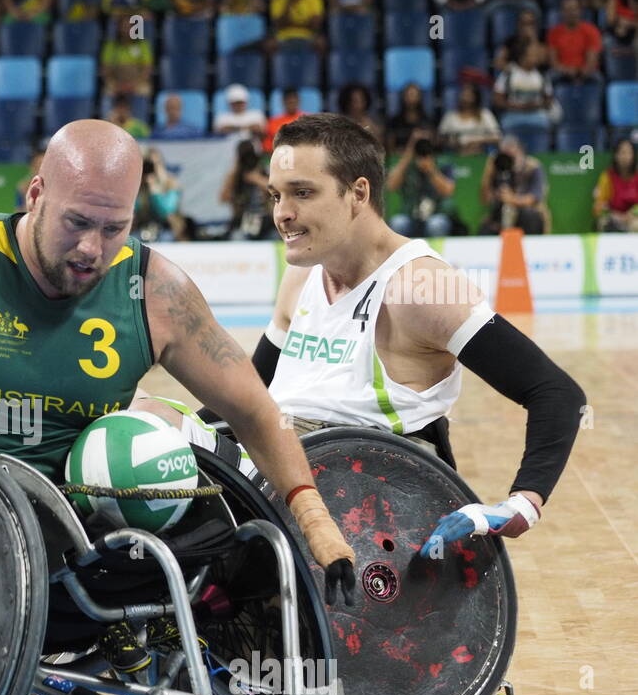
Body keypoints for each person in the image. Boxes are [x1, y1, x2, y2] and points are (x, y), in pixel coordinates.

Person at [0, 118, 358, 610]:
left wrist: (316, 521)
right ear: (35, 195)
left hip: (88, 537)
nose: (91, 249)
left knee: (211, 498)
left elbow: (255, 409)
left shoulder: (155, 292)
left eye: (114, 229)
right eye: (77, 222)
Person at [217, 113, 583, 558]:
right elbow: (243, 397)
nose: (282, 213)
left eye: (302, 193)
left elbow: (556, 392)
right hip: (281, 470)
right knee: (150, 421)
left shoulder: (421, 286)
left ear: (358, 194)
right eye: (276, 195)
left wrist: (523, 503)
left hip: (366, 494)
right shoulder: (301, 278)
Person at [386, 126, 459, 237]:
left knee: (436, 224)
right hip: (410, 215)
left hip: (436, 214)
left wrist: (431, 170)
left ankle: (433, 255)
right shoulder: (407, 165)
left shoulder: (444, 163)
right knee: (398, 223)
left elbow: (448, 191)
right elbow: (391, 186)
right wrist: (410, 150)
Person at [478, 134, 548, 235]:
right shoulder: (497, 167)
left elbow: (535, 197)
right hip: (499, 214)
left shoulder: (532, 167)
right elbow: (485, 200)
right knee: (485, 228)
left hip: (526, 212)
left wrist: (512, 199)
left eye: (511, 152)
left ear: (520, 150)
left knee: (530, 217)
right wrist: (488, 173)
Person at [219, 138, 272, 241]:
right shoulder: (235, 176)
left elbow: (276, 190)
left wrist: (257, 179)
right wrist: (235, 172)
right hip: (245, 219)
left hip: (267, 220)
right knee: (238, 239)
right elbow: (223, 198)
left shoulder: (264, 170)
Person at [547, 0, 603, 84]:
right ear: (562, 12)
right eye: (567, 10)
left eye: (574, 9)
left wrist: (581, 73)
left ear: (580, 11)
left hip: (585, 72)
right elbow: (553, 62)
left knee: (597, 78)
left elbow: (592, 61)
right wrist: (566, 70)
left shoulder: (591, 31)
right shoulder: (554, 33)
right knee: (550, 76)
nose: (571, 13)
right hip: (562, 72)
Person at [438, 82, 502, 155]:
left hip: (479, 154)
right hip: (456, 154)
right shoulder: (450, 116)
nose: (464, 97)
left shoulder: (484, 114)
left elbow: (497, 136)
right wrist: (452, 142)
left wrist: (478, 142)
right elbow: (440, 137)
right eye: (463, 94)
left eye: (468, 95)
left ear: (475, 97)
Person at [100, 15, 154, 99]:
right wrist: (115, 83)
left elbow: (147, 68)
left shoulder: (142, 45)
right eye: (124, 27)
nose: (126, 30)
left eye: (129, 27)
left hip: (137, 83)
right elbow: (105, 69)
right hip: (116, 82)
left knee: (145, 90)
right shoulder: (111, 46)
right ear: (118, 28)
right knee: (107, 91)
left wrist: (135, 84)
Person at [593, 138, 638, 232]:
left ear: (633, 155)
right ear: (616, 155)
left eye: (629, 153)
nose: (625, 156)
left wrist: (632, 213)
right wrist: (614, 215)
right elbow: (598, 206)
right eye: (622, 152)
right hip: (613, 218)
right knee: (603, 223)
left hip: (634, 219)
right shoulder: (607, 177)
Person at [385, 82, 434, 155]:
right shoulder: (394, 121)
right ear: (403, 97)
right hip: (400, 160)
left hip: (422, 160)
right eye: (408, 95)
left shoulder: (427, 121)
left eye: (414, 95)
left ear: (420, 97)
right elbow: (390, 148)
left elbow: (434, 145)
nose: (411, 98)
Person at [264, 87, 303, 153]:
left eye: (294, 101)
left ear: (299, 101)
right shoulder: (273, 122)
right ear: (283, 102)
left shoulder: (307, 120)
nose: (292, 104)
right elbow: (267, 146)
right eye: (289, 101)